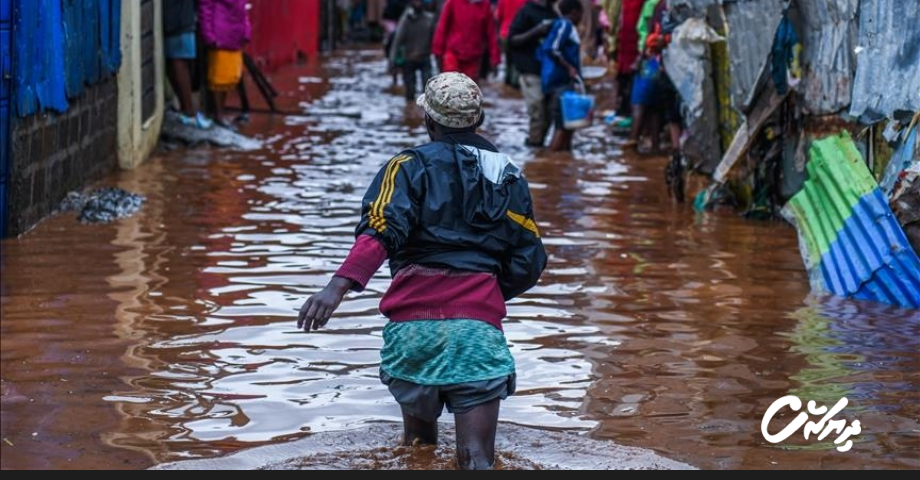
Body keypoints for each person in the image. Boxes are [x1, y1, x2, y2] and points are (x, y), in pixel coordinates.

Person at [297, 73, 547, 471]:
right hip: (476, 334)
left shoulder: (406, 167)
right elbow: (529, 258)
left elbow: (379, 231)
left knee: (416, 453)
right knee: (478, 461)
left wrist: (336, 288)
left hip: (412, 333)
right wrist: (485, 293)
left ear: (428, 121)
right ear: (478, 120)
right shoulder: (508, 175)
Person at [508, 0, 559, 147]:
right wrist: (536, 31)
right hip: (530, 69)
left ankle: (538, 148)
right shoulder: (526, 11)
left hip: (549, 72)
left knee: (548, 112)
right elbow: (512, 40)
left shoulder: (554, 12)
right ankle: (534, 147)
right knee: (537, 109)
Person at [539, 0, 585, 152]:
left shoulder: (562, 24)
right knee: (563, 124)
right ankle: (550, 163)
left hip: (560, 80)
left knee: (569, 123)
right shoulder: (565, 24)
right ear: (574, 12)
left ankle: (563, 160)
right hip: (559, 81)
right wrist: (570, 67)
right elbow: (553, 49)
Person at [199, 0, 251, 128]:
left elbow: (243, 11)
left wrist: (246, 31)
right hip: (220, 35)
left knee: (231, 76)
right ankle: (218, 114)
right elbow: (205, 10)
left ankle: (220, 113)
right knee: (219, 78)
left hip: (234, 35)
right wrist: (209, 36)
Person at [163, 0, 212, 129]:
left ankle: (187, 110)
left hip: (179, 17)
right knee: (180, 62)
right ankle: (189, 112)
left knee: (178, 62)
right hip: (179, 18)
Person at [432, 0, 501, 80]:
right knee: (450, 83)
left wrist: (495, 60)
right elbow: (442, 27)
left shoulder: (485, 5)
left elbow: (491, 34)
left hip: (473, 57)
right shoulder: (453, 2)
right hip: (453, 54)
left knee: (469, 88)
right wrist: (437, 51)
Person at [390, 0, 436, 100]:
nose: (418, 3)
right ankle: (410, 111)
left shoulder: (429, 20)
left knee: (428, 90)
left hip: (425, 57)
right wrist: (392, 61)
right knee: (410, 92)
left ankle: (425, 113)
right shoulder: (405, 20)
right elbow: (397, 42)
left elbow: (436, 41)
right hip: (409, 59)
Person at [495, 0, 529, 87]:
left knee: (508, 59)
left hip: (505, 34)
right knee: (517, 60)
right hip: (520, 35)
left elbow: (497, 17)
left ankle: (507, 81)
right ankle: (514, 84)